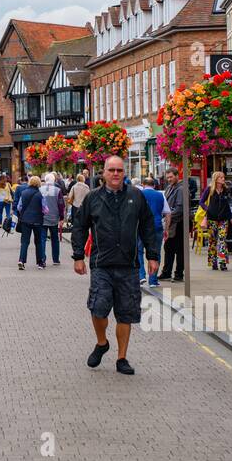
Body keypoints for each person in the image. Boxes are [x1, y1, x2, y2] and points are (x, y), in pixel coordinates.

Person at [71, 156, 159, 375]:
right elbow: (80, 227)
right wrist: (78, 256)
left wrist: (152, 255)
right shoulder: (93, 198)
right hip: (102, 264)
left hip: (129, 265)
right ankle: (102, 343)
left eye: (119, 170)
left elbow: (147, 226)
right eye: (111, 170)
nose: (116, 174)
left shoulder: (135, 196)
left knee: (126, 313)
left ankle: (122, 358)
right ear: (103, 172)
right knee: (98, 308)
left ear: (124, 172)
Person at [160, 167, 186, 283]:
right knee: (168, 248)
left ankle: (179, 274)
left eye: (171, 177)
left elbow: (180, 208)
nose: (169, 179)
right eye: (168, 177)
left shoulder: (181, 189)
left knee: (179, 250)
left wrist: (168, 217)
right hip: (171, 223)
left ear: (177, 175)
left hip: (179, 224)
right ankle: (166, 272)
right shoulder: (170, 188)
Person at [139, 177, 166, 287]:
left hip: (141, 227)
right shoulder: (161, 195)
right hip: (157, 226)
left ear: (143, 184)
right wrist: (167, 229)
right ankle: (153, 280)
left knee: (139, 251)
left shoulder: (139, 194)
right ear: (154, 185)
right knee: (156, 252)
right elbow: (167, 213)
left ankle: (141, 276)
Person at [203, 171, 232, 271]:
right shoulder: (210, 189)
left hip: (224, 219)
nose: (223, 179)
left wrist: (230, 216)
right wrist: (208, 209)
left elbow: (228, 202)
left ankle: (223, 262)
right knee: (212, 241)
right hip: (212, 219)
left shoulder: (226, 190)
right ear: (216, 179)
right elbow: (201, 202)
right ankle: (213, 261)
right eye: (221, 177)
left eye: (223, 177)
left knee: (222, 239)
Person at [15, 175, 46, 269]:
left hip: (25, 220)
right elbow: (45, 209)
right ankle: (40, 262)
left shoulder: (23, 193)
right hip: (37, 220)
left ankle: (21, 260)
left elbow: (19, 207)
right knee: (38, 242)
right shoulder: (40, 194)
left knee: (24, 241)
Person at [39, 172, 66, 265]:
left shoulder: (40, 190)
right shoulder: (57, 190)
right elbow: (61, 205)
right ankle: (55, 259)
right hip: (54, 218)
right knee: (55, 239)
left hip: (42, 217)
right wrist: (62, 218)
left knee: (42, 239)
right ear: (54, 180)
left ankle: (42, 259)